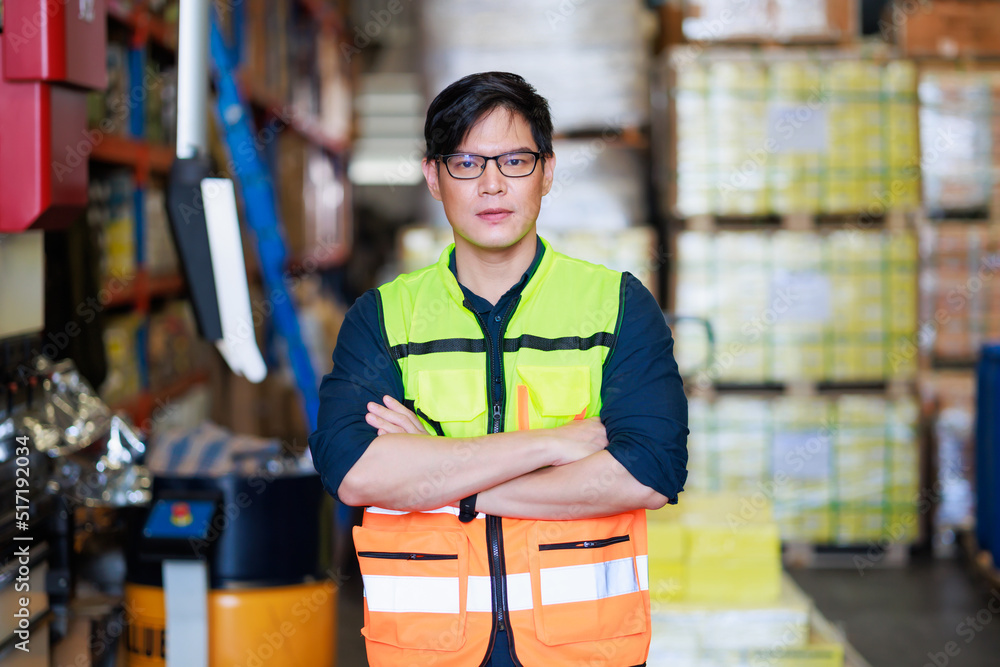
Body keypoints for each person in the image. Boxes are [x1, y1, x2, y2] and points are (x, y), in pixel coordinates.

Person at [308, 71, 688, 667]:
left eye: (514, 161)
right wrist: (554, 445)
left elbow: (649, 473)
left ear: (547, 172)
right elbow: (354, 472)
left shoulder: (616, 305)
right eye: (466, 163)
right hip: (428, 652)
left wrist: (445, 481)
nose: (491, 184)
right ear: (433, 177)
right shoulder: (383, 317)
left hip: (581, 651)